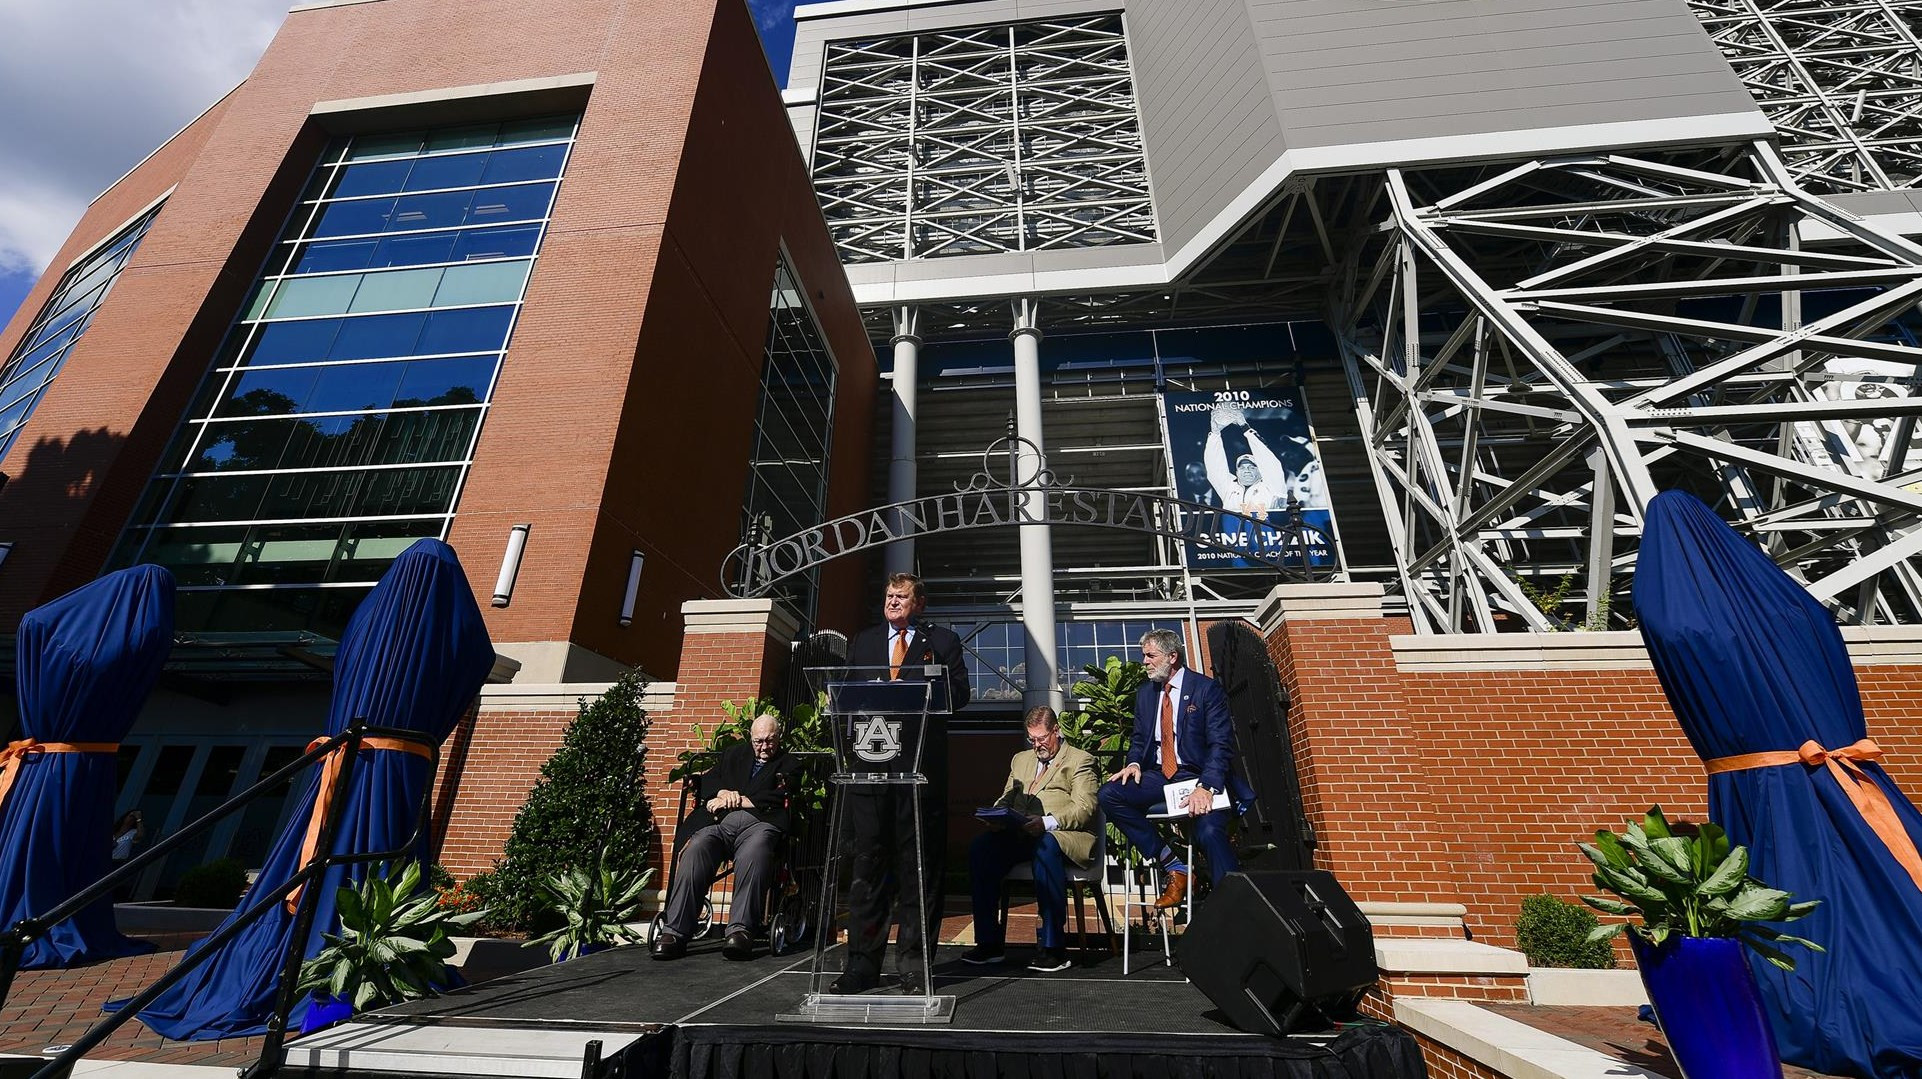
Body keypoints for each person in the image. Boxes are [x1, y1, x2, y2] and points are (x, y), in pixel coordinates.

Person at [835, 571, 971, 994]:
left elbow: (960, 694)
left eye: (902, 596)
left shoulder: (942, 642)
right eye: (889, 595)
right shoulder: (864, 641)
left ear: (919, 603)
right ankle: (861, 967)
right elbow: (843, 694)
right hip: (870, 770)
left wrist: (921, 688)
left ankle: (915, 966)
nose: (893, 601)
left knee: (918, 871)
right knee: (868, 869)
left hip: (919, 774)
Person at [1098, 629, 1253, 908]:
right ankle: (1174, 865)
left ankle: (1231, 906)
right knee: (1109, 794)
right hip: (1160, 776)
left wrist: (1206, 787)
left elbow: (1220, 744)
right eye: (1144, 655)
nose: (1145, 662)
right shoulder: (1145, 694)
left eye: (1150, 656)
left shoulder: (1205, 689)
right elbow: (1139, 739)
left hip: (1198, 776)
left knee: (1209, 832)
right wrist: (1133, 763)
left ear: (1172, 656)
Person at [652, 713, 802, 962]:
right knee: (697, 848)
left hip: (760, 825)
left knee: (755, 851)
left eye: (770, 740)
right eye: (758, 741)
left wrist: (741, 800)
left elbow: (782, 795)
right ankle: (674, 931)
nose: (764, 746)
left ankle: (740, 931)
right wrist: (722, 793)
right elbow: (710, 779)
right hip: (720, 824)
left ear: (779, 737)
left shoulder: (789, 763)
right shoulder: (734, 755)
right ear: (751, 738)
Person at [962, 706, 1099, 973]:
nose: (1037, 745)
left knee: (1045, 846)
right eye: (1032, 739)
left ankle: (1053, 946)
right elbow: (1006, 798)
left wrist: (1046, 822)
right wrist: (996, 816)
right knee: (981, 848)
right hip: (1020, 833)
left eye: (1042, 738)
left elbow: (1085, 808)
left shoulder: (1080, 760)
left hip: (1061, 835)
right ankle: (989, 943)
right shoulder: (1021, 760)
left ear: (1056, 731)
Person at [1204, 404, 1288, 519]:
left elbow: (1269, 462)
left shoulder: (1272, 487)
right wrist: (1215, 434)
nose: (1246, 470)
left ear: (1260, 471)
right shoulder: (1229, 488)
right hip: (1235, 530)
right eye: (1242, 468)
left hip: (1267, 529)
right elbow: (1215, 467)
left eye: (1252, 467)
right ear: (1236, 472)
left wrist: (1245, 427)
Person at [110, 810, 145, 901]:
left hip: (118, 863)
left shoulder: (132, 832)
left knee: (113, 885)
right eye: (131, 816)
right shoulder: (114, 830)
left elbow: (140, 835)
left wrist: (139, 819)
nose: (131, 819)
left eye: (134, 818)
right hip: (105, 861)